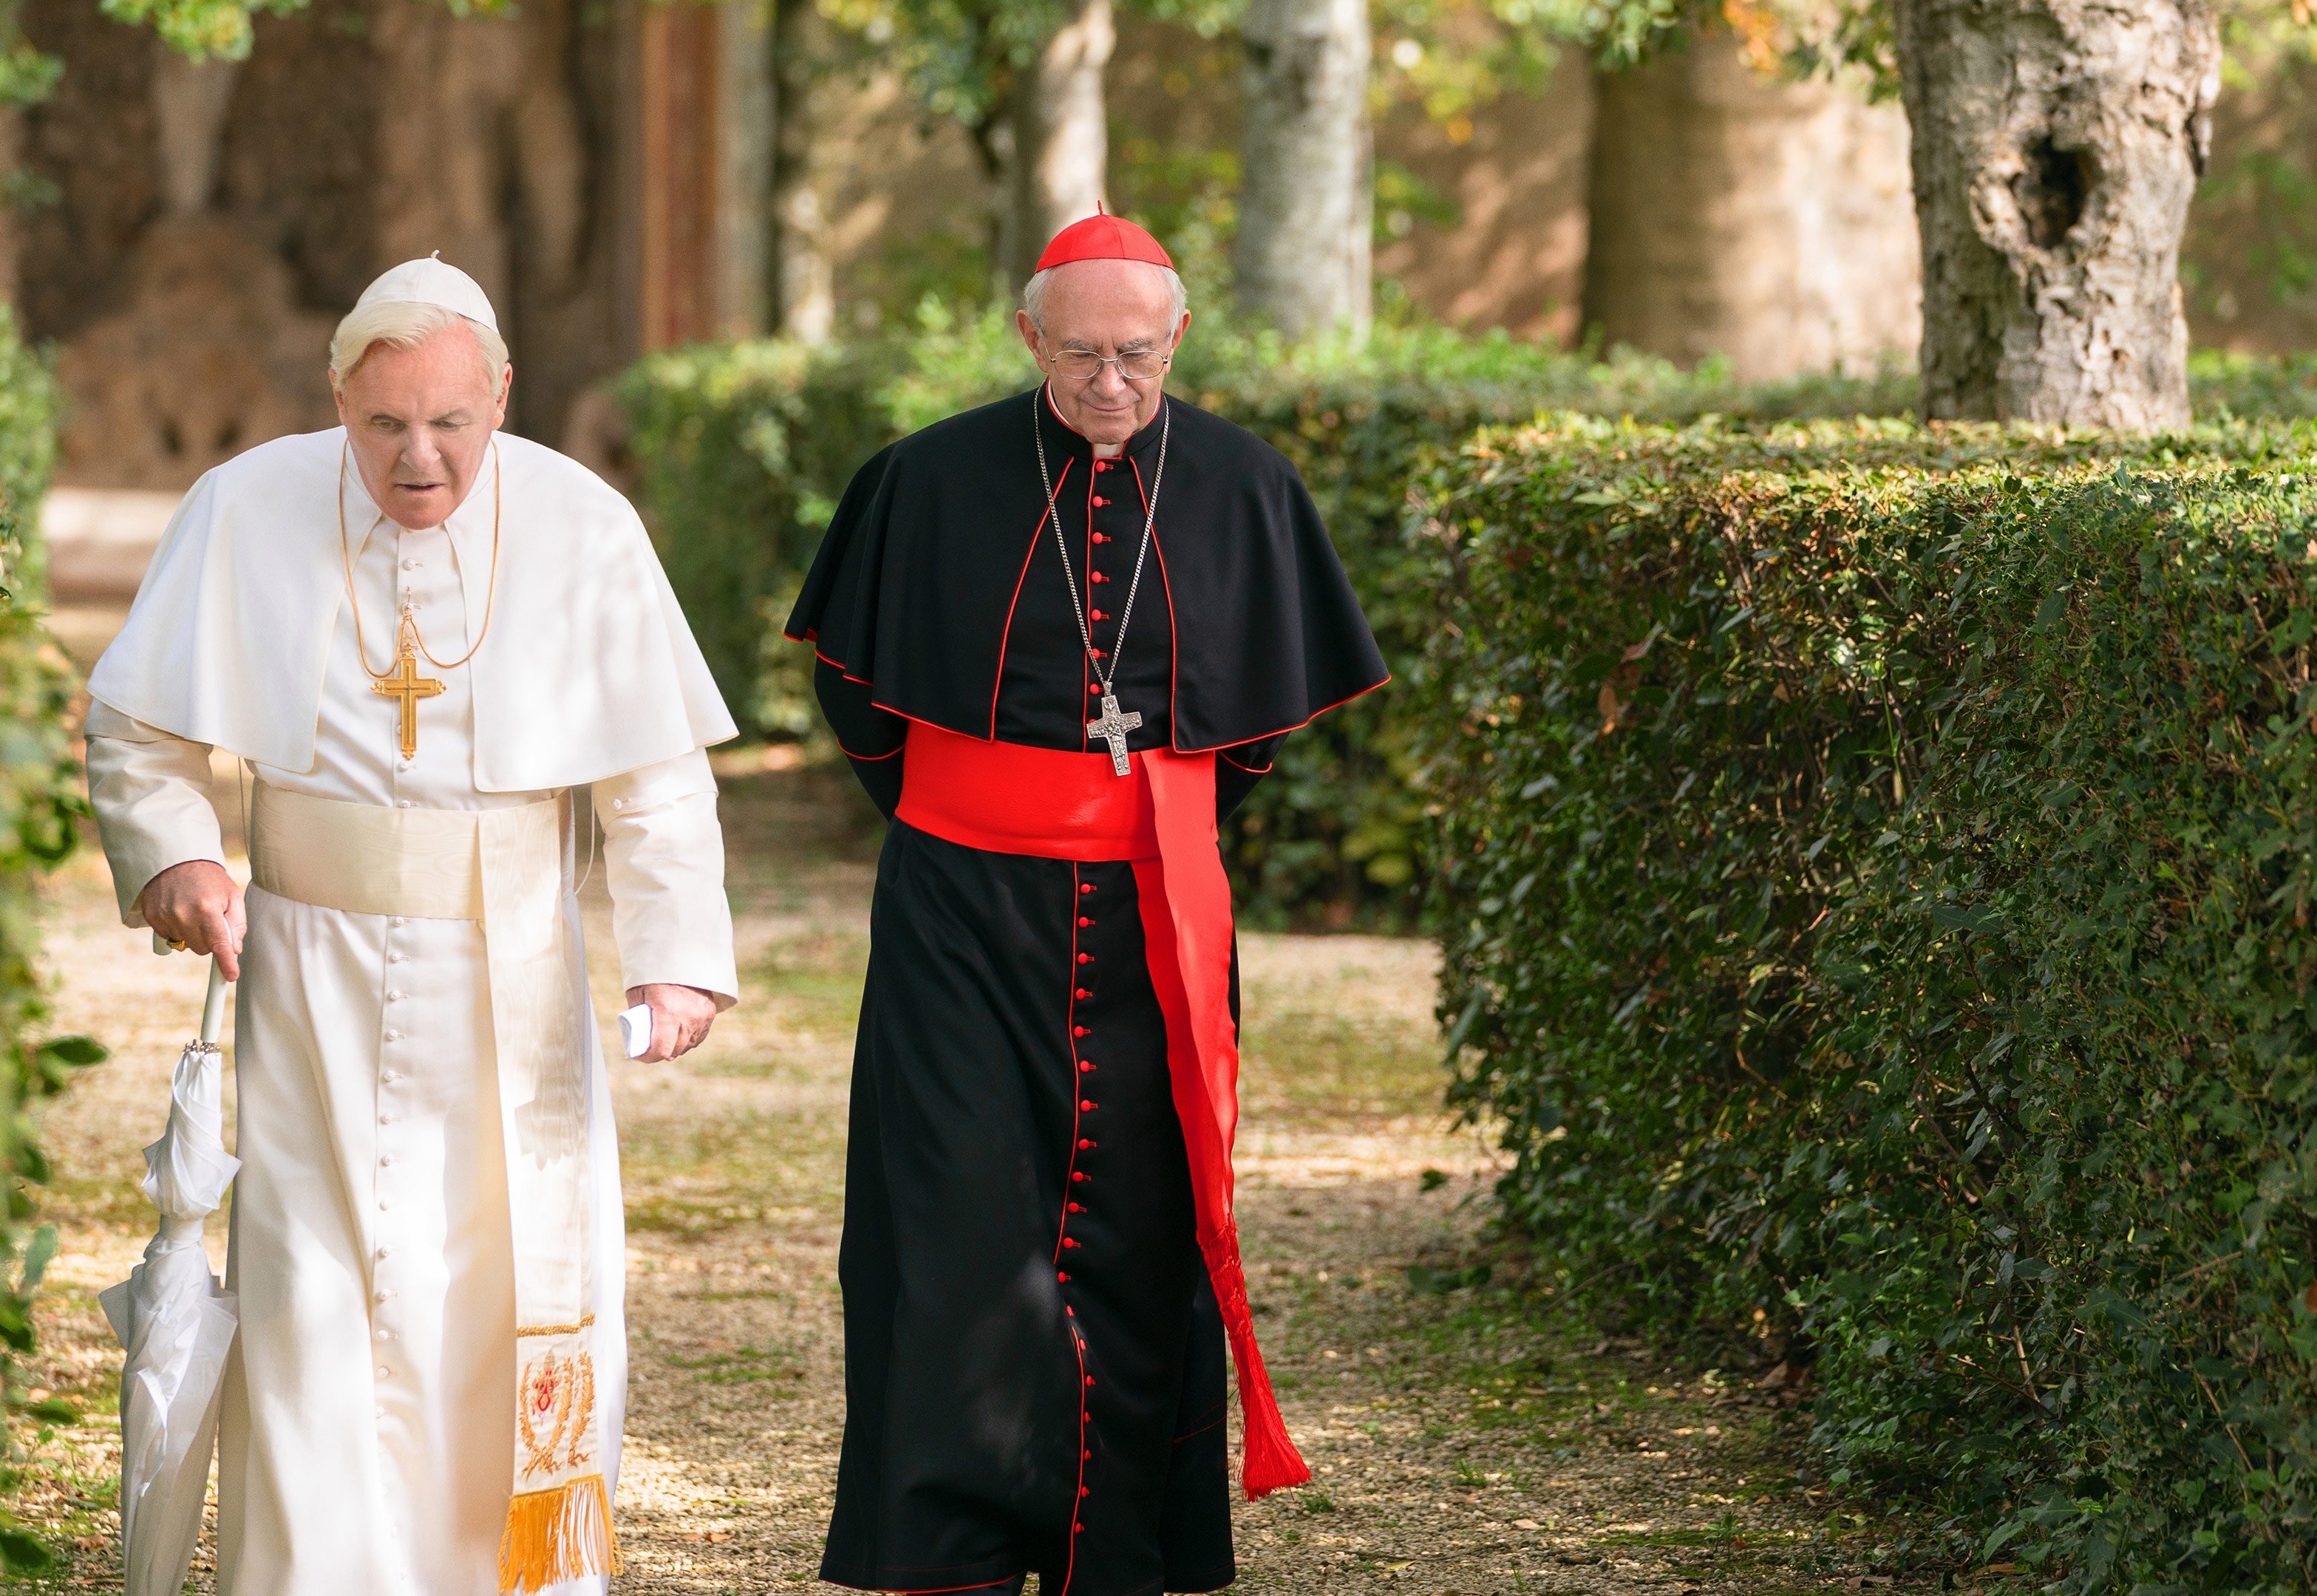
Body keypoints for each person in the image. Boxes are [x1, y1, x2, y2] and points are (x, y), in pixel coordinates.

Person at [83, 255, 740, 1595]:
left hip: (516, 980)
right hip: (306, 975)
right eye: (384, 424)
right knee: (311, 1302)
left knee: (497, 1301)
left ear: (503, 394)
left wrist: (675, 961)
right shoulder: (244, 505)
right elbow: (137, 733)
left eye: (450, 422)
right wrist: (180, 857)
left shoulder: (584, 525)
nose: (419, 459)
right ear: (339, 399)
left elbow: (656, 776)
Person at [786, 211, 1388, 1595]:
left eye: (1137, 355)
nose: (1110, 383)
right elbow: (860, 701)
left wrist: (1131, 817)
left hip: (1153, 916)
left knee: (1139, 1226)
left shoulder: (1245, 486)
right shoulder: (923, 480)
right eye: (1078, 356)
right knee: (951, 1222)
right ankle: (948, 1554)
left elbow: (1256, 731)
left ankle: (1111, 1551)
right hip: (959, 910)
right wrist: (990, 818)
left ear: (1179, 337)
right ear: (1028, 338)